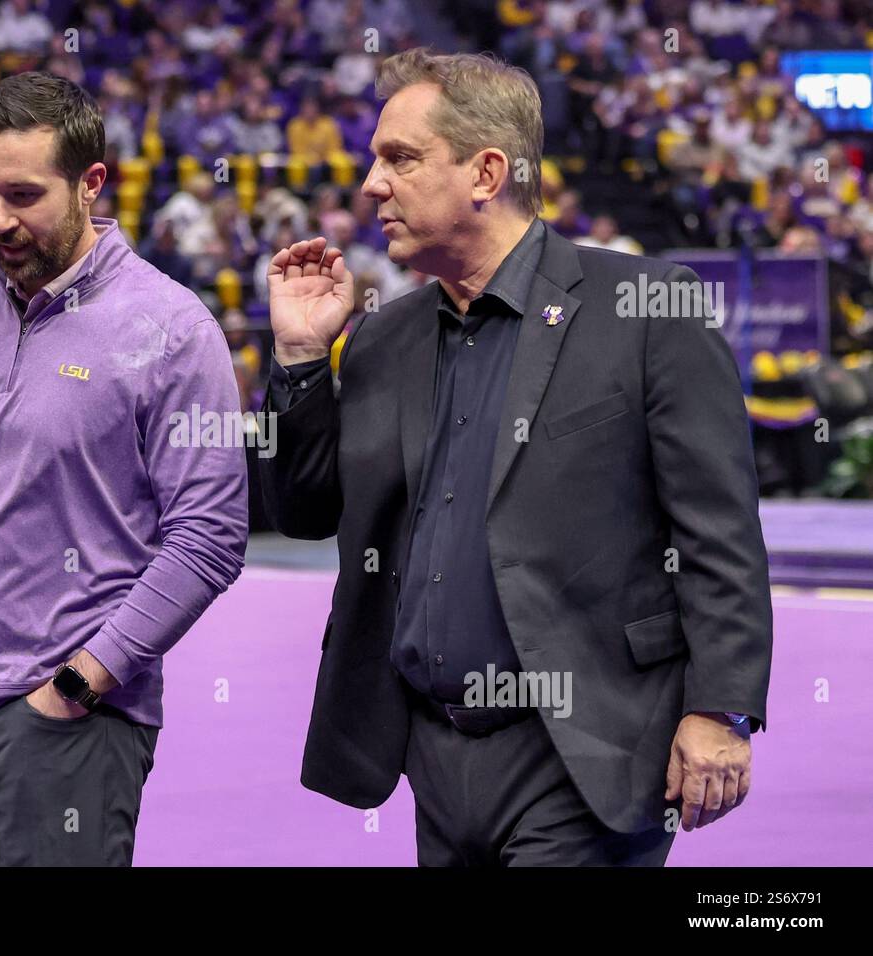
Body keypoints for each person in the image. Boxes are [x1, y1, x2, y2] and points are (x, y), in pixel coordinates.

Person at [259, 49, 771, 866]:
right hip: (433, 755)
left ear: (487, 172)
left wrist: (722, 709)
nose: (370, 185)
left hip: (585, 752)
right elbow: (307, 512)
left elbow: (719, 534)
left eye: (399, 158)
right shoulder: (385, 336)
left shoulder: (646, 310)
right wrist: (296, 362)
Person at [0, 71, 247, 867]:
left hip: (73, 723)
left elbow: (208, 539)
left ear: (91, 183)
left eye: (25, 196)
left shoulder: (174, 330)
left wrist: (78, 686)